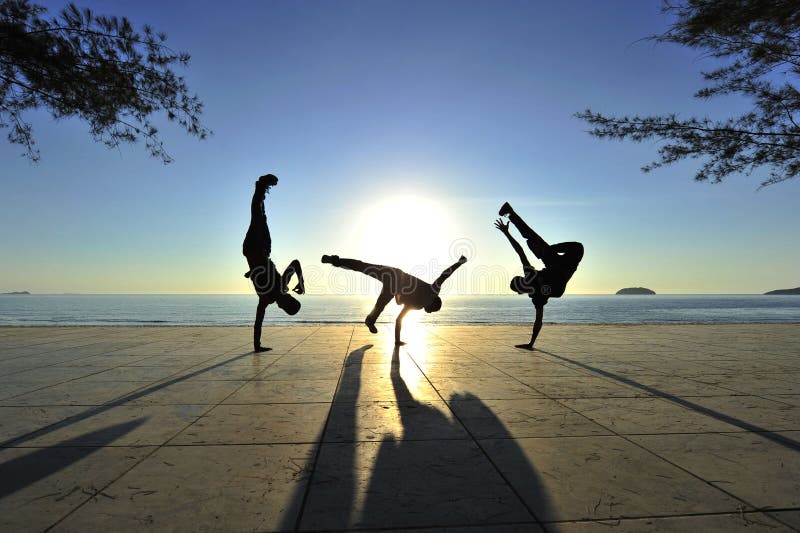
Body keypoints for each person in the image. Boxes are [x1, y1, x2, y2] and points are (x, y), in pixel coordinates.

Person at [320, 254, 467, 345]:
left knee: (363, 266)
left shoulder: (428, 296)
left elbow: (445, 274)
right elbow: (399, 320)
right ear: (433, 305)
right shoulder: (425, 298)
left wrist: (460, 262)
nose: (428, 312)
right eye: (431, 311)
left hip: (393, 274)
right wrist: (397, 341)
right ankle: (370, 320)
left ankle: (335, 261)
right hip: (394, 285)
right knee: (381, 304)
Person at [496, 201, 583, 350]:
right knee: (536, 244)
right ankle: (512, 214)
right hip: (570, 259)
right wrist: (506, 233)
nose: (525, 279)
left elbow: (538, 321)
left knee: (534, 243)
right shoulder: (536, 294)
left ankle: (511, 213)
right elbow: (520, 251)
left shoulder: (536, 295)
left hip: (557, 264)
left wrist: (531, 343)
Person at [242, 174, 305, 352]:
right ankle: (262, 188)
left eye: (284, 307)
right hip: (263, 248)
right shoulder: (281, 287)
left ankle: (260, 186)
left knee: (257, 217)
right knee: (261, 217)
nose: (281, 305)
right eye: (285, 306)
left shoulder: (267, 297)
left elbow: (258, 320)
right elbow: (296, 263)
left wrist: (257, 346)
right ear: (288, 299)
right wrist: (300, 281)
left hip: (254, 249)